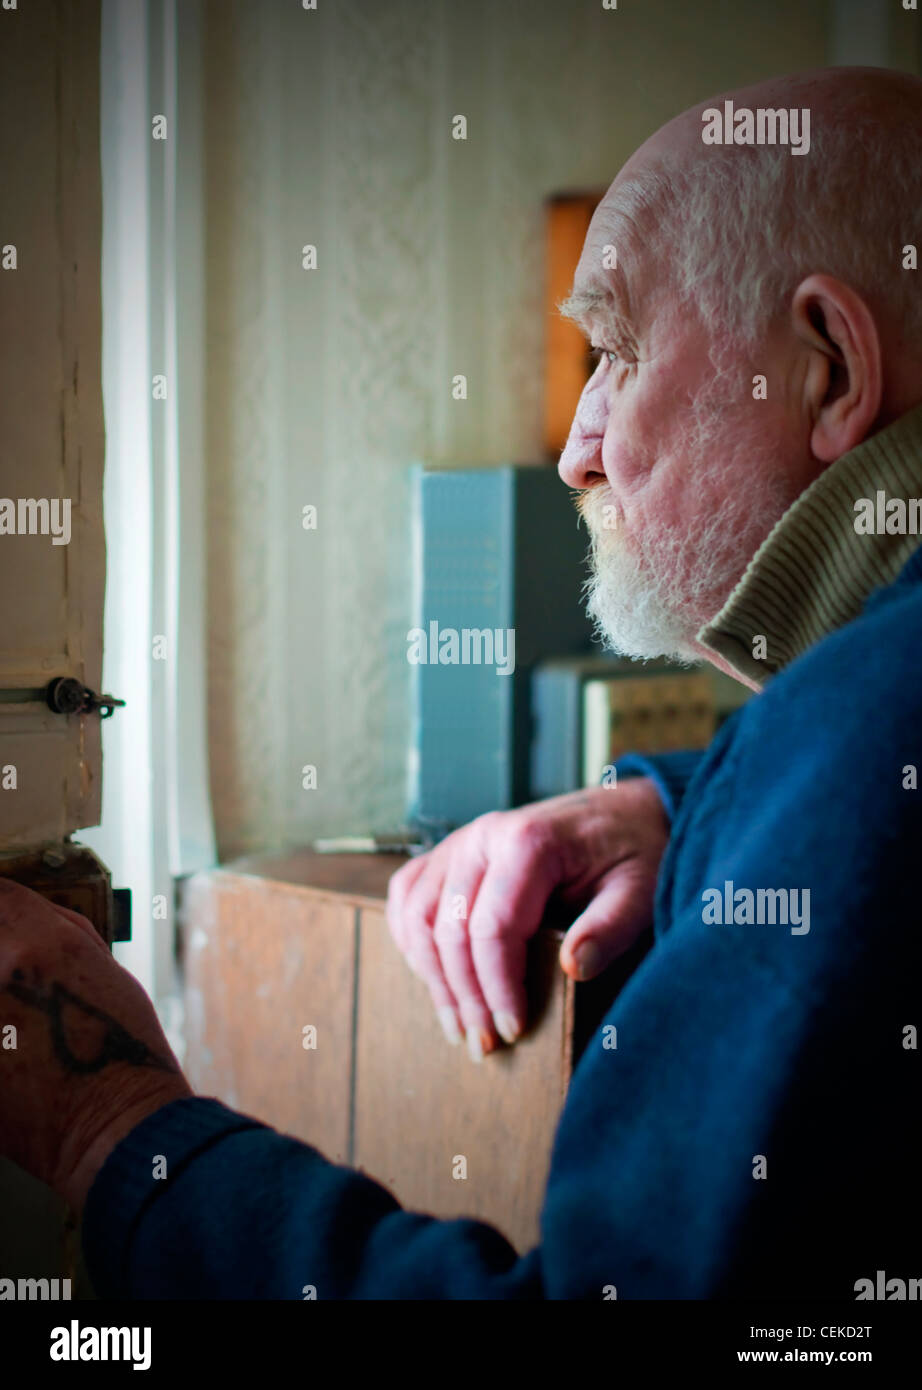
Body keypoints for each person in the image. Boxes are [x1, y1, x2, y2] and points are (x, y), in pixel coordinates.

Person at [2, 66, 920, 1299]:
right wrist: (681, 803)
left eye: (612, 348)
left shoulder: (863, 737)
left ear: (827, 367)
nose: (575, 447)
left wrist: (113, 1130)